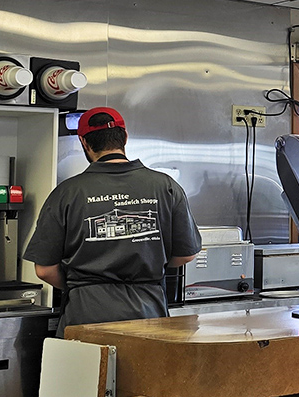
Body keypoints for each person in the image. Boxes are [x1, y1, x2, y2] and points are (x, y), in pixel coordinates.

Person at [24, 107, 202, 336]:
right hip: (148, 314)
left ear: (84, 143)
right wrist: (149, 268)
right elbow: (186, 254)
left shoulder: (66, 193)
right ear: (125, 137)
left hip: (85, 314)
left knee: (87, 361)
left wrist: (82, 287)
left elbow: (44, 270)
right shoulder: (166, 187)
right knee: (145, 360)